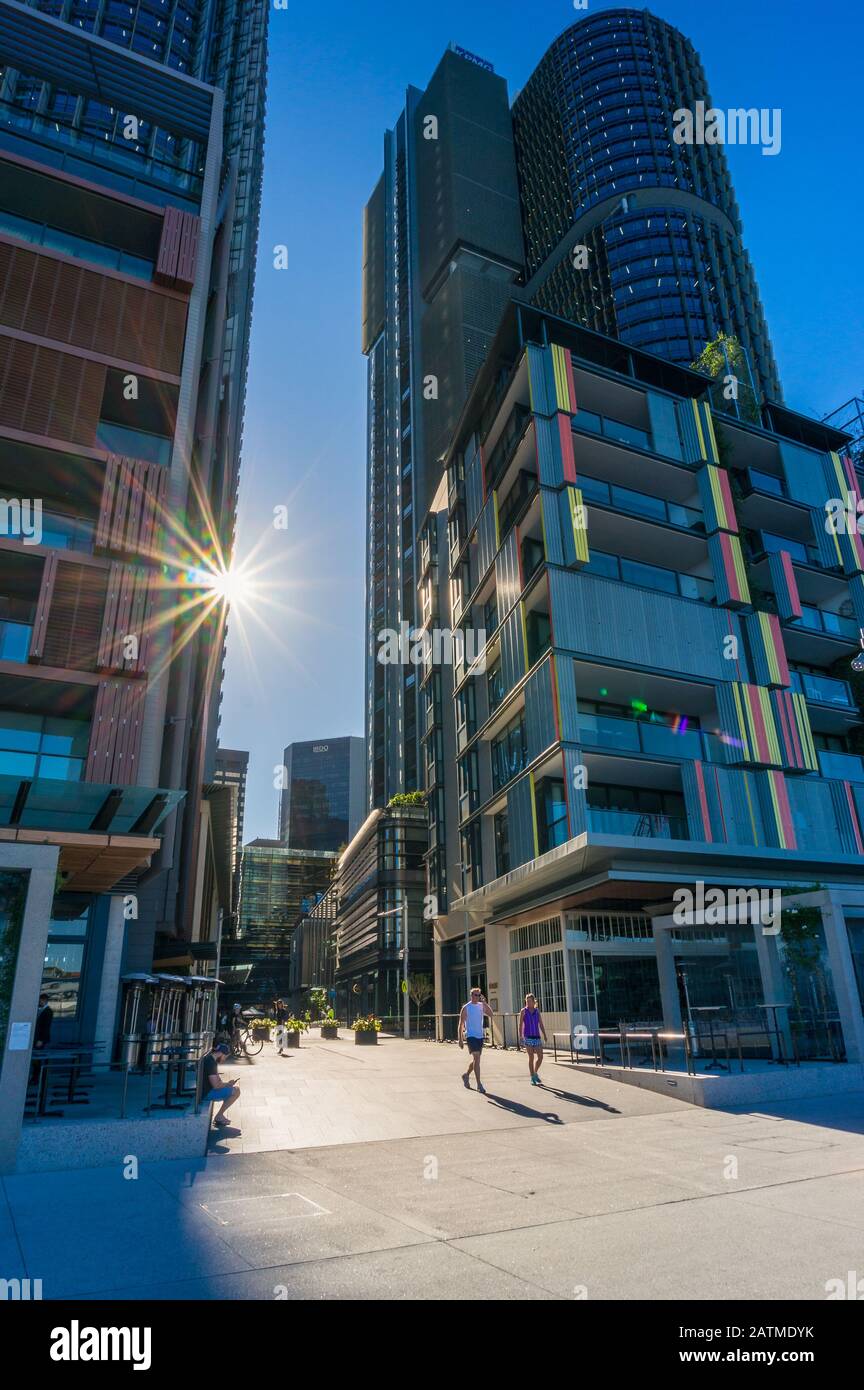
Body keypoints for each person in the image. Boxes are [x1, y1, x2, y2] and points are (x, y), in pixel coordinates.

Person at [458, 987, 493, 1094]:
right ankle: (479, 1084)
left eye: (479, 995)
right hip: (471, 1036)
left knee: (476, 1060)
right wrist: (460, 1039)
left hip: (479, 1036)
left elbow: (491, 1014)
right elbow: (461, 1024)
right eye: (475, 995)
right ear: (471, 995)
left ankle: (466, 1075)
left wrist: (485, 1003)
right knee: (477, 1058)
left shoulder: (481, 1006)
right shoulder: (466, 1008)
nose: (477, 997)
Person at [200, 1042, 240, 1127]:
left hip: (206, 1090)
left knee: (232, 1089)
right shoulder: (211, 1063)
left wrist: (227, 1084)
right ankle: (219, 1116)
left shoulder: (210, 1059)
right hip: (207, 1093)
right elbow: (216, 1086)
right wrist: (227, 1084)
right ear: (221, 1053)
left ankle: (220, 1115)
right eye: (225, 1057)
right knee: (236, 1091)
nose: (224, 1059)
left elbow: (218, 1080)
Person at [519, 993, 547, 1085]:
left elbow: (541, 1024)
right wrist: (521, 1036)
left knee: (540, 1057)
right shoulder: (523, 1011)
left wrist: (544, 1035)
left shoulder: (537, 1011)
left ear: (533, 1001)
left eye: (529, 1001)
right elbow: (520, 1025)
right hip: (528, 1037)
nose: (528, 1002)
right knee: (531, 1057)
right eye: (526, 1001)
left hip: (537, 1037)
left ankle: (535, 1073)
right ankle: (532, 1077)